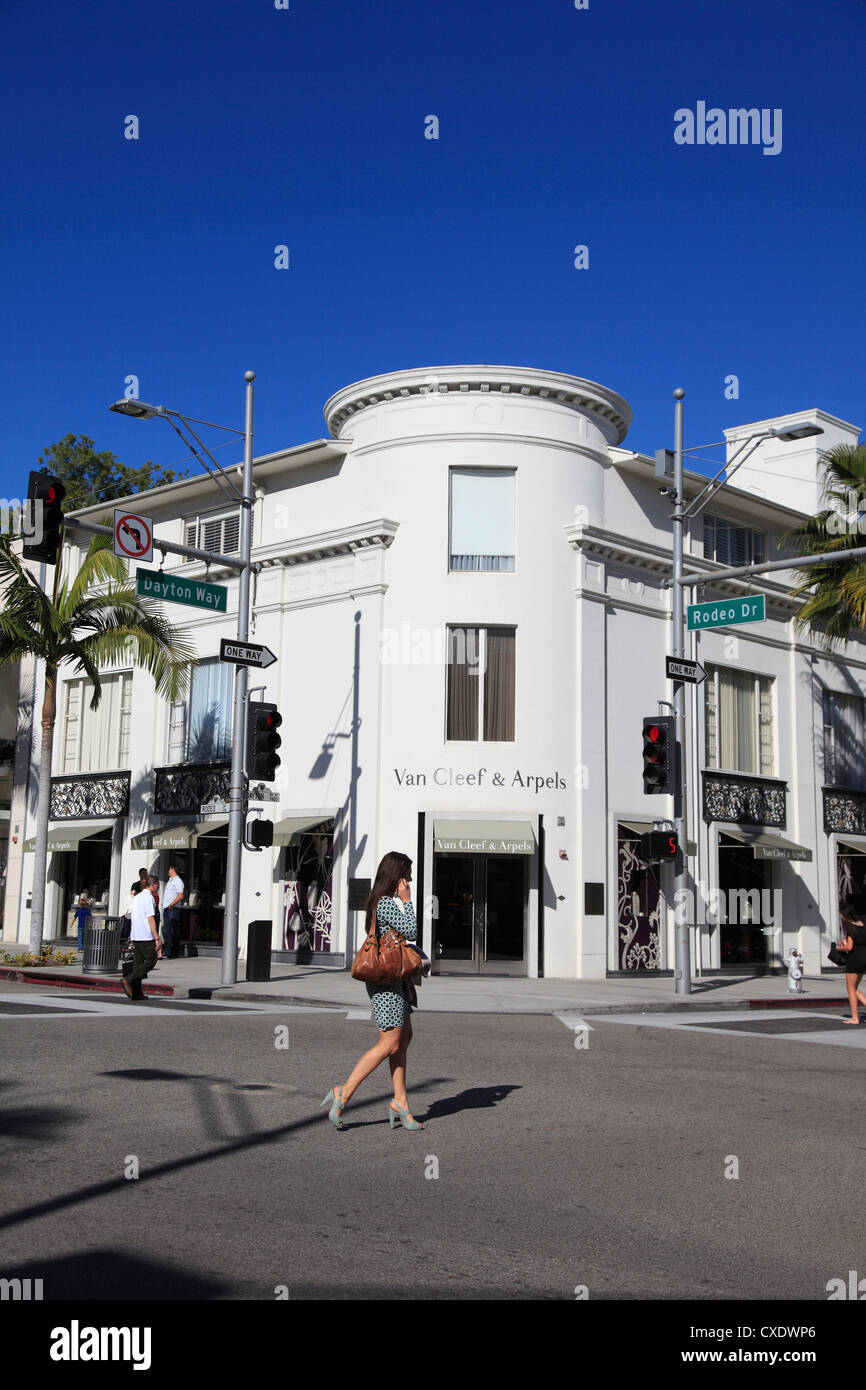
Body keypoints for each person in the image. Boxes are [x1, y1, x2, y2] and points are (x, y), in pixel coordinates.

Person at [321, 851, 423, 1131]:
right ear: (398, 877)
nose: (411, 879)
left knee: (403, 1039)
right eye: (408, 874)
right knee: (389, 1044)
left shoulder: (380, 902)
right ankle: (343, 1093)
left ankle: (400, 1102)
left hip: (395, 979)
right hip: (386, 983)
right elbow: (412, 930)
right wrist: (408, 900)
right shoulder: (387, 903)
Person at [121, 881, 163, 1001]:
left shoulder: (137, 897)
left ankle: (137, 993)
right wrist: (156, 937)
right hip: (145, 935)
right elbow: (151, 918)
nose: (158, 889)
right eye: (158, 886)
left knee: (137, 964)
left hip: (136, 934)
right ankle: (127, 980)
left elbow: (131, 914)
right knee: (151, 960)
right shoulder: (149, 898)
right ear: (153, 885)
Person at [836, 905, 866, 1024]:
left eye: (841, 914)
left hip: (855, 959)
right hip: (864, 957)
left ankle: (854, 1017)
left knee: (850, 987)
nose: (841, 916)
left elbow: (849, 947)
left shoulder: (850, 927)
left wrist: (839, 948)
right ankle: (855, 1016)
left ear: (845, 915)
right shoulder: (862, 925)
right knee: (854, 988)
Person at [160, 865, 184, 959]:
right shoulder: (170, 881)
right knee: (166, 929)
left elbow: (180, 896)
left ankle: (173, 951)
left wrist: (172, 904)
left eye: (170, 869)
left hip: (173, 908)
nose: (168, 871)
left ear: (173, 870)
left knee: (172, 930)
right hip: (167, 908)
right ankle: (167, 950)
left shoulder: (178, 881)